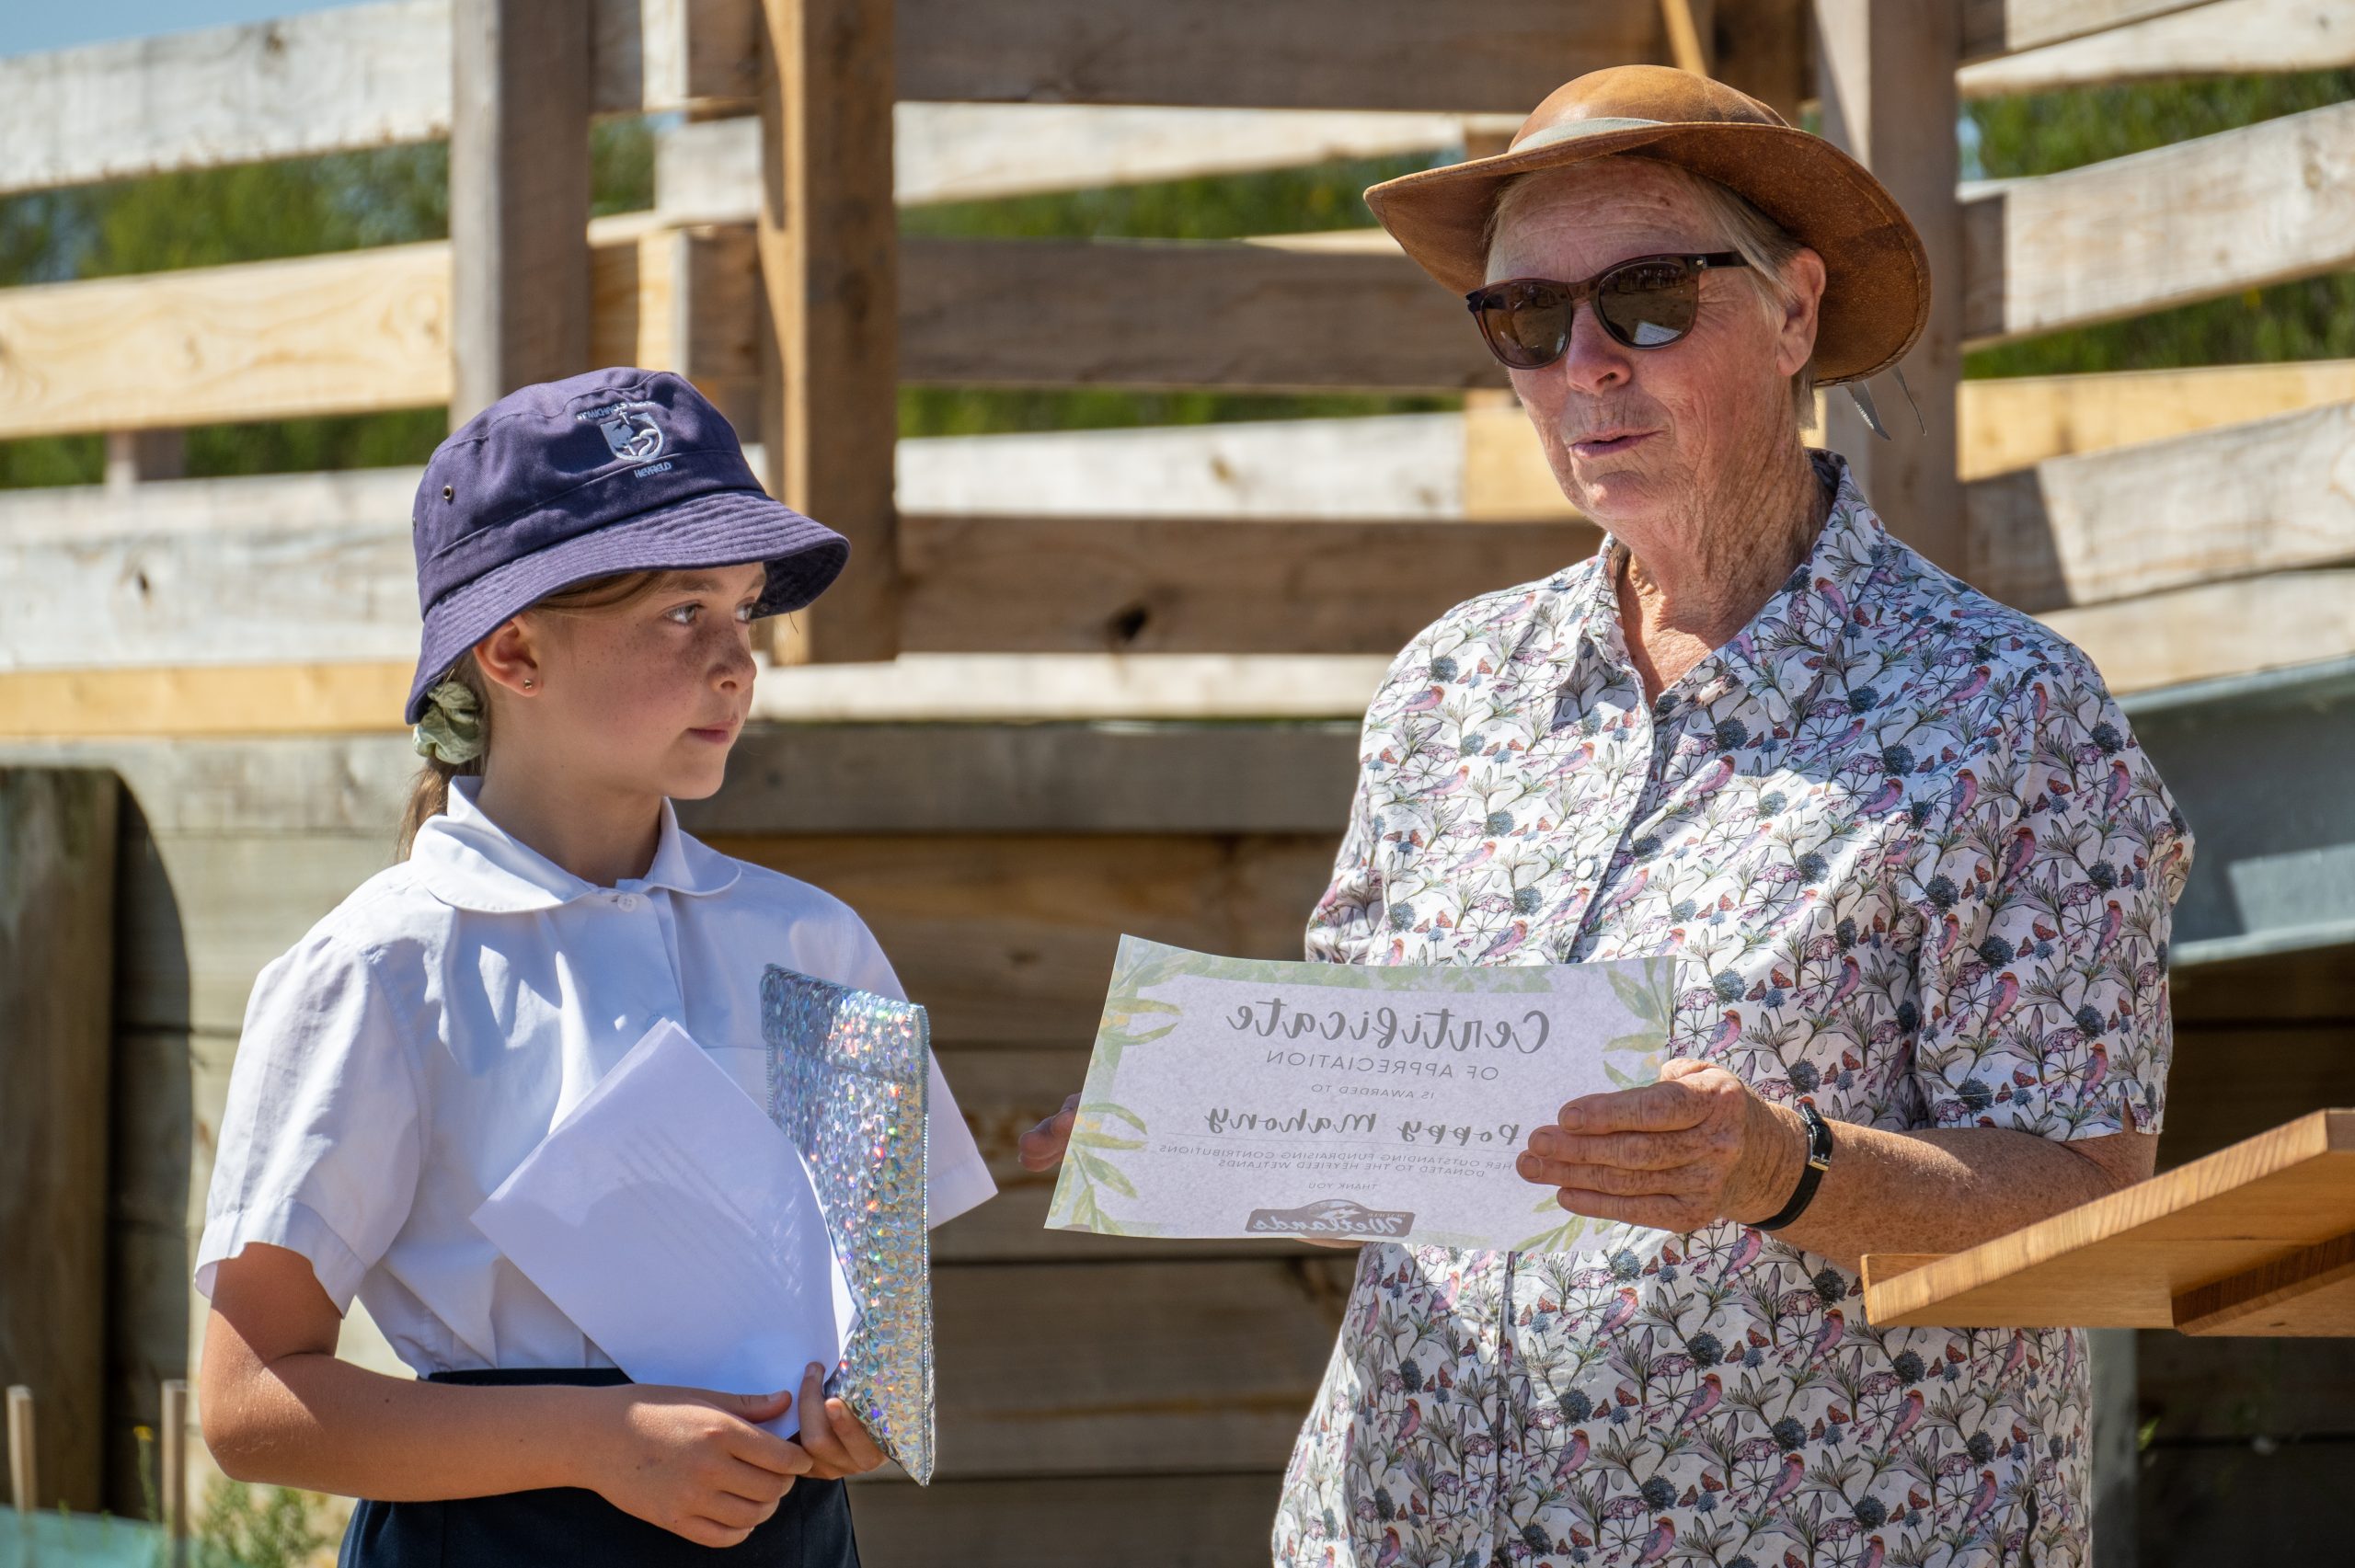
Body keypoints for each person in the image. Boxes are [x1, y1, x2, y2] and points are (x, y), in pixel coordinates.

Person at [1027, 66, 2191, 1568]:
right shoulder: (1449, 686)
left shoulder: (2011, 713)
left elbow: (2090, 1201)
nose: (1583, 364)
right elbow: (1371, 1116)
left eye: (1646, 300)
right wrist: (1208, 1126)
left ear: (1795, 312)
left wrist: (1784, 1167)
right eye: (1525, 318)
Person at [194, 369, 996, 1565]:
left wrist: (859, 1412)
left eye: (745, 610)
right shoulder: (378, 969)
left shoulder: (817, 942)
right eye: (682, 612)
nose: (738, 661)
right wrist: (598, 1440)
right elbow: (248, 1402)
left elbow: (881, 1341)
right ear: (513, 649)